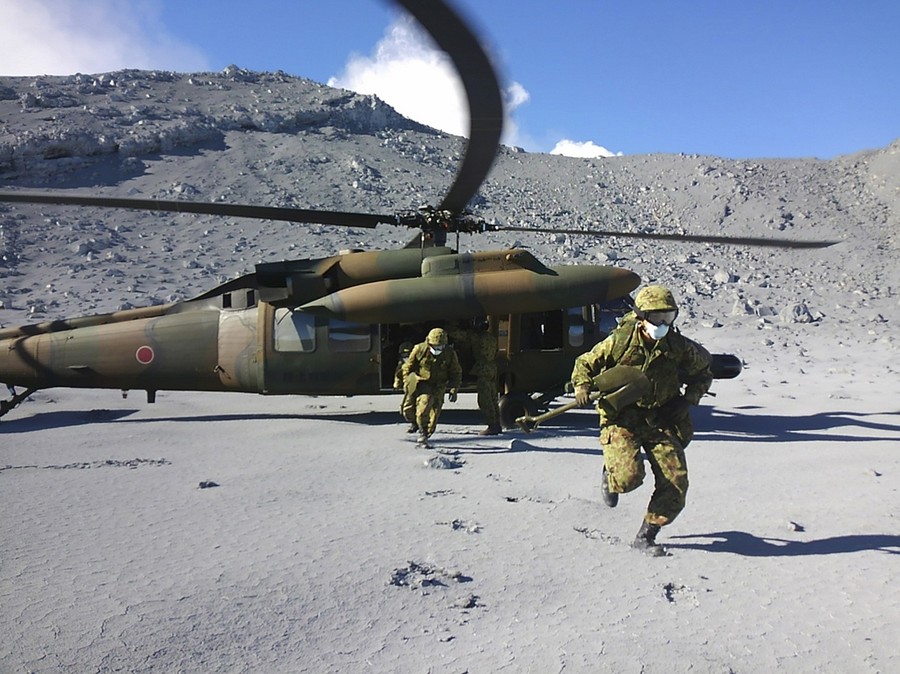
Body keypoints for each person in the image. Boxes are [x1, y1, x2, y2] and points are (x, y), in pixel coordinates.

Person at [571, 285, 713, 556]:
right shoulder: (620, 341)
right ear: (641, 316)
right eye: (657, 318)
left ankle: (645, 536)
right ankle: (611, 475)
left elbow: (704, 371)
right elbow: (585, 363)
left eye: (668, 318)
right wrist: (581, 386)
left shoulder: (677, 346)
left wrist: (687, 400)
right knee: (629, 478)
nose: (663, 324)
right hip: (622, 416)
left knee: (676, 484)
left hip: (660, 418)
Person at [402, 327, 462, 447]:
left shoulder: (449, 353)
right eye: (435, 346)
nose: (437, 349)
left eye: (440, 346)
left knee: (434, 416)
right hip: (424, 383)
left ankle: (427, 431)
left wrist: (454, 389)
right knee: (422, 408)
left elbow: (456, 372)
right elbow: (407, 367)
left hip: (440, 386)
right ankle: (422, 432)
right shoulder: (419, 349)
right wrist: (407, 382)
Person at [393, 341, 417, 433]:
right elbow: (398, 375)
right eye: (404, 355)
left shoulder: (420, 362)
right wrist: (396, 384)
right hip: (409, 389)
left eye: (408, 354)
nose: (406, 357)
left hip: (421, 387)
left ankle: (423, 428)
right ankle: (414, 423)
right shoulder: (402, 365)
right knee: (406, 409)